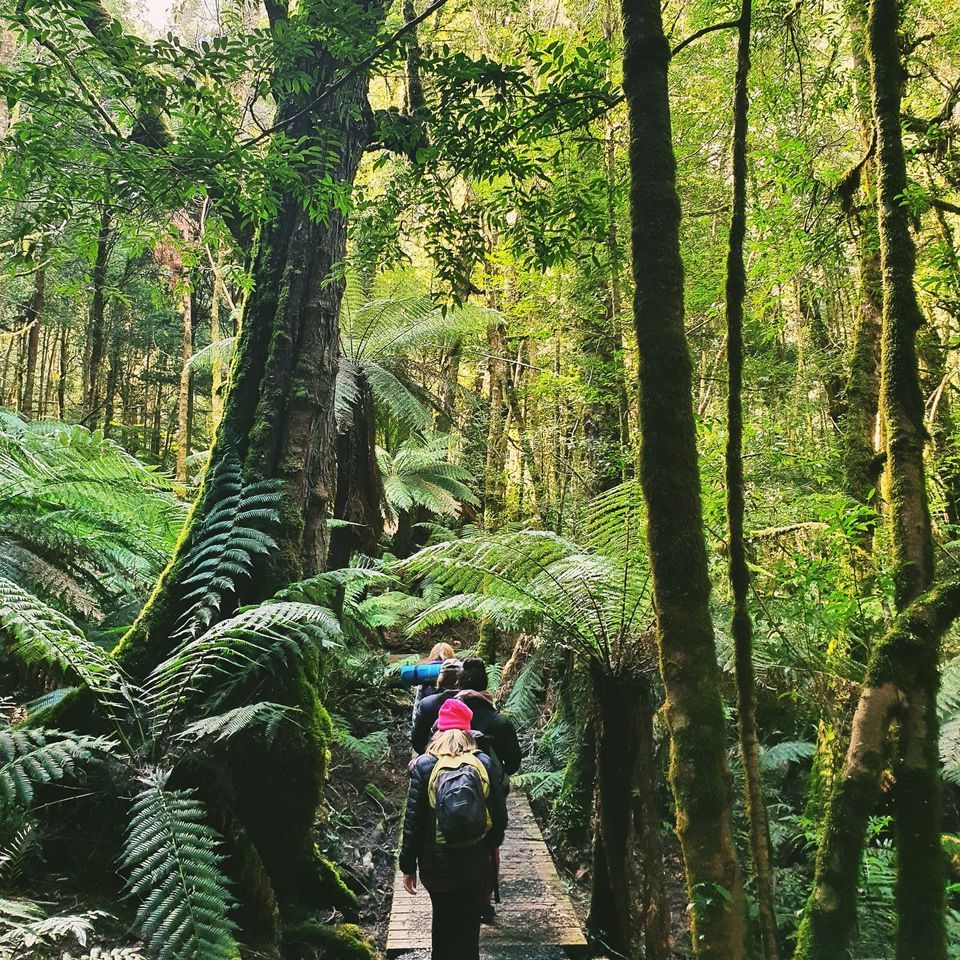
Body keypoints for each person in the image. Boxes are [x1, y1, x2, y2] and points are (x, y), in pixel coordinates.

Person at [399, 699, 507, 960]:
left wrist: (407, 866)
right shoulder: (482, 761)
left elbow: (413, 822)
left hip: (436, 865)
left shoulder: (424, 766)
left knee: (443, 923)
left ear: (439, 730)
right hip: (474, 860)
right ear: (467, 730)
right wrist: (490, 843)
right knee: (468, 928)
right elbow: (499, 815)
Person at [411, 658, 462, 753]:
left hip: (434, 754)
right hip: (465, 754)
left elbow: (417, 741)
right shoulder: (470, 702)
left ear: (440, 678)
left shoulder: (427, 703)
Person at [412, 642, 456, 714]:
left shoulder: (424, 673)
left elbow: (417, 706)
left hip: (429, 714)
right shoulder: (454, 671)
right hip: (451, 715)